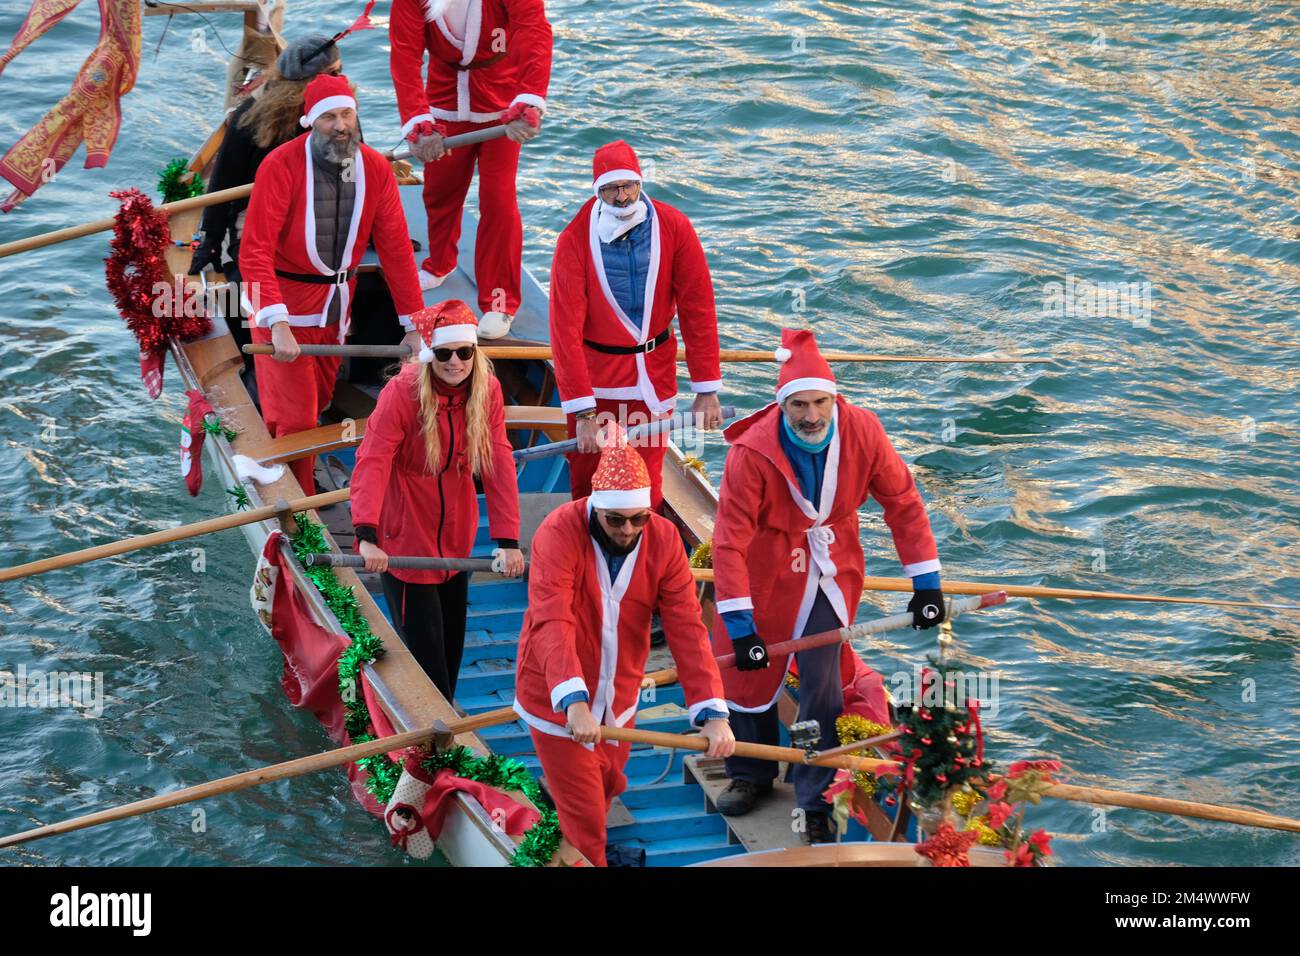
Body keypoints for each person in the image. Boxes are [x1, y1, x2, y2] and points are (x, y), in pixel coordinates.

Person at [709, 329, 947, 844]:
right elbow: (727, 543)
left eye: (820, 402)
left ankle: (814, 795)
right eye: (799, 404)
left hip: (833, 565)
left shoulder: (863, 430)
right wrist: (740, 624)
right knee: (748, 678)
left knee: (822, 681)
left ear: (834, 399)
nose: (811, 416)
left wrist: (926, 584)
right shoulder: (750, 452)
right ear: (782, 405)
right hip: (764, 568)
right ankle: (750, 774)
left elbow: (902, 502)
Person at [512, 430, 735, 865]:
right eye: (616, 520)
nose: (628, 530)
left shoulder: (666, 539)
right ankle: (584, 847)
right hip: (554, 698)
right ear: (596, 506)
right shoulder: (558, 532)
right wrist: (573, 701)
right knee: (587, 822)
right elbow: (551, 620)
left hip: (621, 693)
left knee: (610, 785)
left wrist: (712, 712)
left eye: (638, 519)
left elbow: (687, 628)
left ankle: (561, 801)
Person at [237, 72, 425, 493]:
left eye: (346, 115)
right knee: (296, 419)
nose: (340, 126)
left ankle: (303, 470)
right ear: (310, 121)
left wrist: (415, 325)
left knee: (319, 401)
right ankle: (301, 504)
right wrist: (277, 323)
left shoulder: (376, 168)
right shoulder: (280, 165)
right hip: (281, 309)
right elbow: (254, 252)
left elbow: (396, 250)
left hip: (336, 307)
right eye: (328, 118)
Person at [350, 300, 524, 701]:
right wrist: (366, 533)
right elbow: (373, 460)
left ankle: (444, 727)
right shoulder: (402, 393)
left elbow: (499, 460)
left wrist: (508, 540)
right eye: (444, 353)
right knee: (427, 664)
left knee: (450, 654)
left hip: (457, 538)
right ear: (430, 355)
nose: (455, 362)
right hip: (406, 539)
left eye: (465, 352)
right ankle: (435, 742)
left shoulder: (488, 389)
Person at [549, 140, 723, 511]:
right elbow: (564, 332)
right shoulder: (573, 241)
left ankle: (647, 559)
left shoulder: (675, 227)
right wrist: (583, 413)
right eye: (611, 188)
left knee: (647, 481)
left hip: (653, 378)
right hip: (596, 385)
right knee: (589, 480)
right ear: (598, 191)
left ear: (640, 183)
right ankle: (586, 558)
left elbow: (698, 308)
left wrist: (706, 389)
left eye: (629, 185)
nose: (623, 196)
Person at [389, 0, 553, 339]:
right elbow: (404, 54)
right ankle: (440, 262)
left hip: (502, 107)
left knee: (498, 200)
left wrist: (530, 97)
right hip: (444, 102)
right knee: (439, 190)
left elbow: (533, 31)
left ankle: (500, 301)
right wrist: (418, 121)